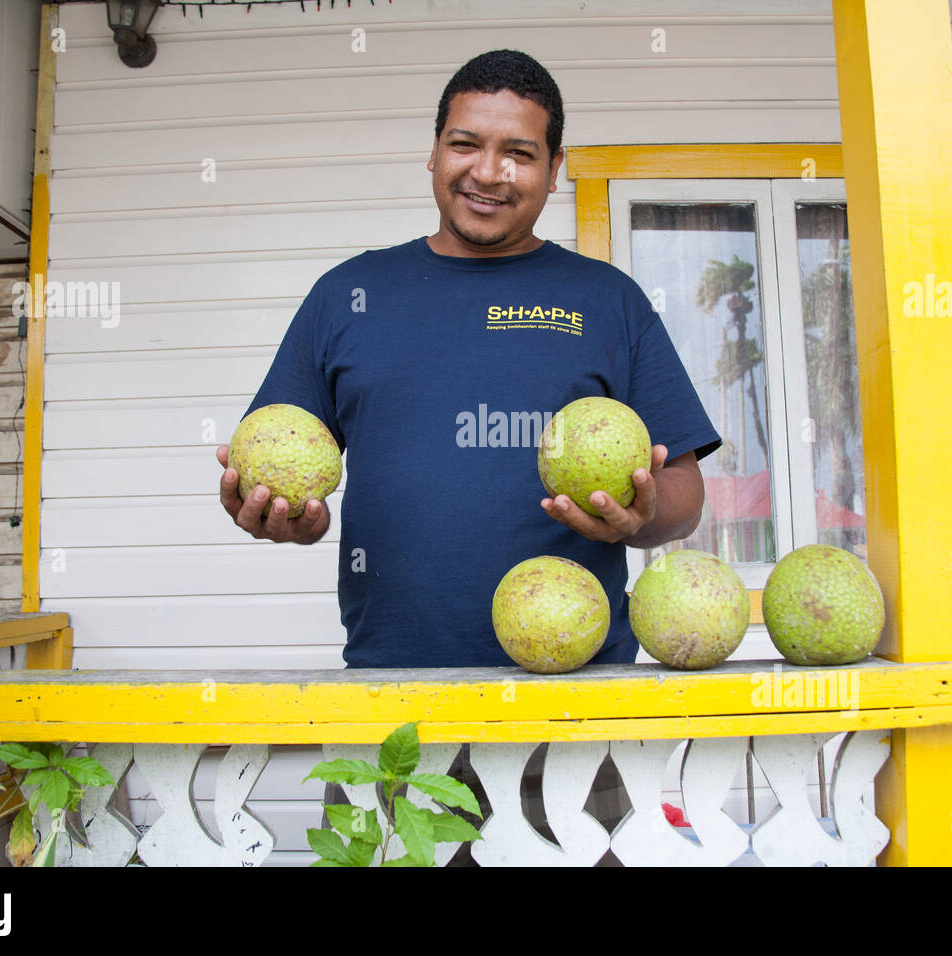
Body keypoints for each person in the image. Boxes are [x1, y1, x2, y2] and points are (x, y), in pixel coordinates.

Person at [217, 49, 721, 861]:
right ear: (433, 150)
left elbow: (686, 494)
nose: (488, 173)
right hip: (393, 712)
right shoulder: (350, 295)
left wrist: (636, 518)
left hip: (575, 708)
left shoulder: (607, 301)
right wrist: (278, 519)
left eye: (519, 153)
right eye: (465, 144)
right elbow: (281, 474)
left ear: (554, 170)